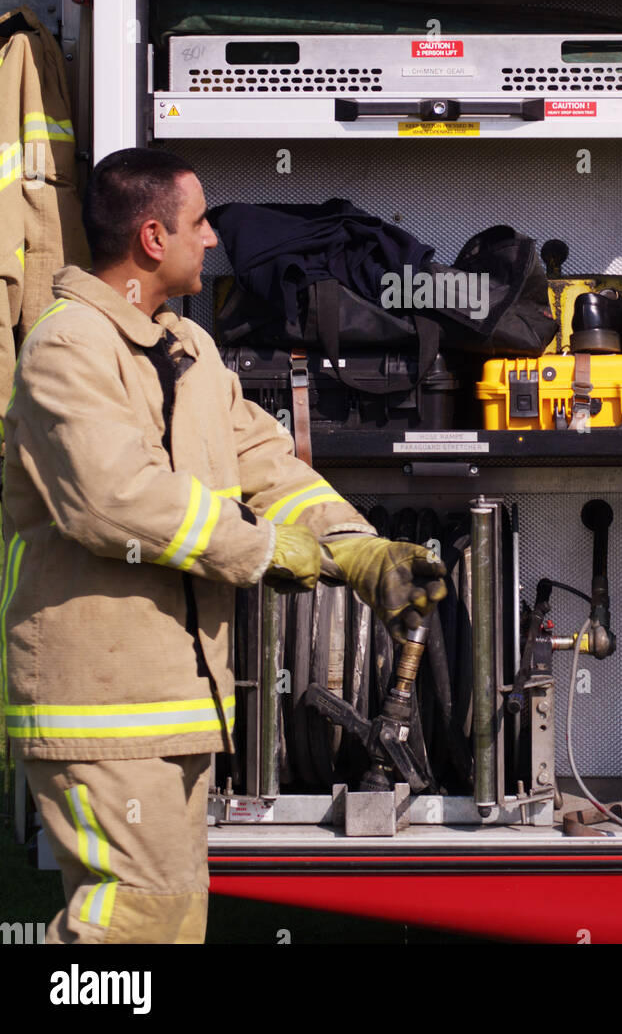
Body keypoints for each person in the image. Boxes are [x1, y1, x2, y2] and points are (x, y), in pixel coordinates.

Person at [0, 147, 446, 944]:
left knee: (167, 921)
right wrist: (266, 551)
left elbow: (267, 465)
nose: (212, 239)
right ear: (150, 237)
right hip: (101, 711)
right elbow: (116, 501)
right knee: (132, 921)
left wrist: (360, 549)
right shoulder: (68, 348)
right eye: (199, 221)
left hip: (169, 708)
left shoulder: (189, 351)